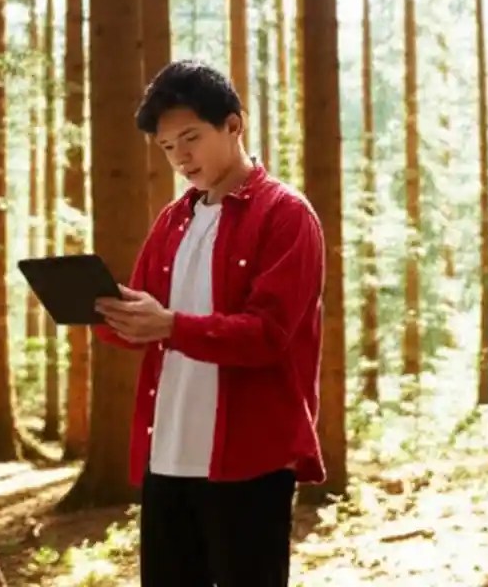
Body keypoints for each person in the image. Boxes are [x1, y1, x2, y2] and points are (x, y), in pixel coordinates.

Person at [93, 59, 327, 587]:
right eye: (168, 147)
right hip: (166, 454)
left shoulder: (287, 216)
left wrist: (171, 326)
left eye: (191, 138)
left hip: (250, 460)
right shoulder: (173, 221)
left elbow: (268, 335)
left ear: (234, 125)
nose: (181, 157)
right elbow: (145, 325)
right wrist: (107, 313)